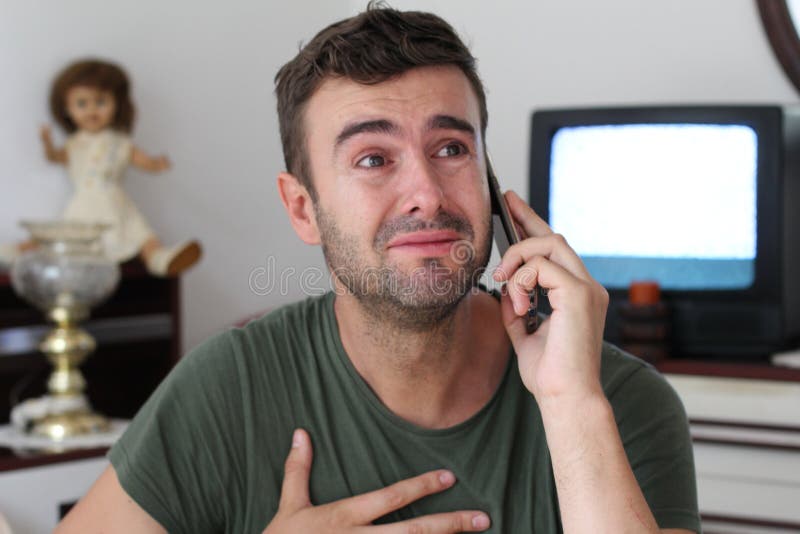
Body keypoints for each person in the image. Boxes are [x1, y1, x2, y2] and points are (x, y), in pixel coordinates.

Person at [56, 4, 701, 533]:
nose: (427, 193)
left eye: (451, 148)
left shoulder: (617, 402)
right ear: (303, 208)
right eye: (373, 159)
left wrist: (571, 407)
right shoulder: (229, 389)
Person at [38, 59, 201, 276]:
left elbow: (143, 161)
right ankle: (21, 250)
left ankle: (158, 257)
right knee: (68, 234)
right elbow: (55, 157)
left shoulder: (120, 143)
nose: (92, 110)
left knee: (140, 231)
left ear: (117, 105)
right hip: (85, 202)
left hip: (114, 200)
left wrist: (156, 164)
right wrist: (47, 143)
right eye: (82, 103)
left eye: (101, 102)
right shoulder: (74, 144)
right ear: (67, 108)